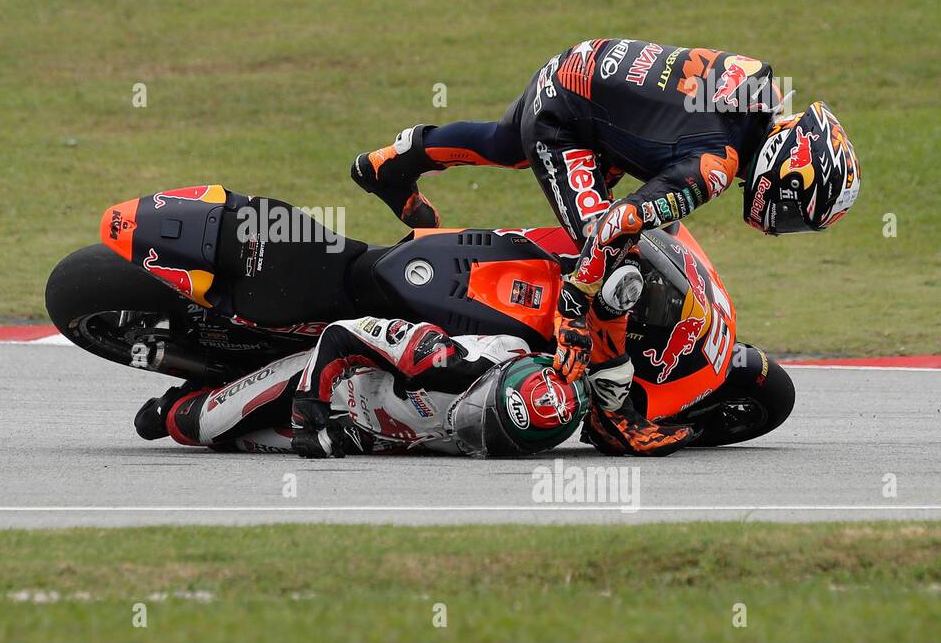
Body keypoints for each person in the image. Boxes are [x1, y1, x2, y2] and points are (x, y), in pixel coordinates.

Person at [351, 39, 861, 453]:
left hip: (579, 67)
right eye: (798, 211)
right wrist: (577, 305)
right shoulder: (712, 169)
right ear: (786, 176)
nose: (785, 224)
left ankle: (388, 164)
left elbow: (666, 108)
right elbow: (617, 225)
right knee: (619, 269)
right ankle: (614, 414)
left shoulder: (756, 84)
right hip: (569, 123)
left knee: (504, 144)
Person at [130, 313, 682, 459]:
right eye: (479, 416)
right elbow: (343, 335)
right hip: (329, 384)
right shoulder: (440, 360)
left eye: (495, 436)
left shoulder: (551, 404)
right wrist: (311, 410)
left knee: (232, 445)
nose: (472, 431)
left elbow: (609, 399)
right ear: (485, 383)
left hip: (362, 440)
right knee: (188, 425)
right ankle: (174, 390)